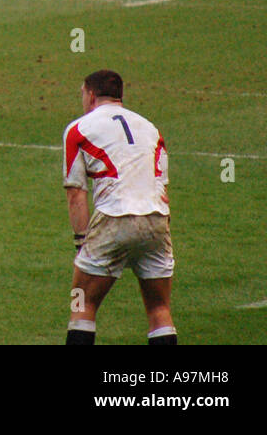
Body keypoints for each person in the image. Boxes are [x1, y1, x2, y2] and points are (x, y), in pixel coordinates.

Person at [64, 70, 176, 345]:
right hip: (156, 219)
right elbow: (162, 188)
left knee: (83, 305)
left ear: (90, 95)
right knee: (159, 308)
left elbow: (76, 193)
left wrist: (82, 243)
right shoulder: (150, 128)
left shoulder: (79, 128)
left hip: (114, 217)